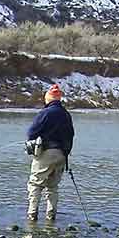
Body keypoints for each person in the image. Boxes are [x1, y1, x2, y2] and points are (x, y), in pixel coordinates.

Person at [24, 83, 74, 222]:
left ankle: (32, 215)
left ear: (49, 99)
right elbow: (71, 135)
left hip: (46, 153)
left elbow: (31, 133)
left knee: (35, 184)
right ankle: (51, 216)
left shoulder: (45, 113)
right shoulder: (66, 114)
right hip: (62, 155)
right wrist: (66, 153)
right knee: (52, 186)